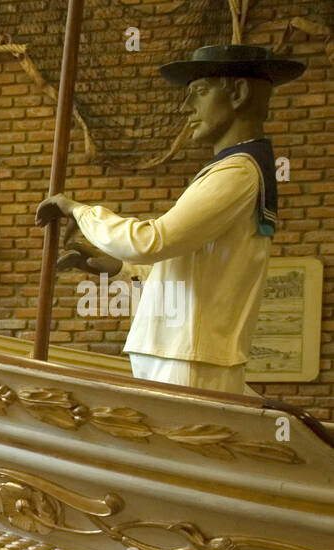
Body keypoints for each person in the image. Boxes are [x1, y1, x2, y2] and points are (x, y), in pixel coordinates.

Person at [35, 44, 304, 393]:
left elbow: (150, 241)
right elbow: (184, 265)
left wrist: (78, 210)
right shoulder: (230, 171)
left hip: (187, 359)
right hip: (178, 354)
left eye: (200, 92)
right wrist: (118, 268)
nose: (187, 106)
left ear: (238, 93)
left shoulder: (236, 173)